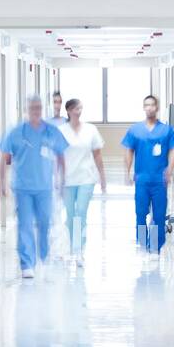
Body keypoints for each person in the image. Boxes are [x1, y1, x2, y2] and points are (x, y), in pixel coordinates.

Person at [0, 94, 68, 278]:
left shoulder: (51, 131)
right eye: (32, 108)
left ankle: (43, 255)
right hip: (22, 188)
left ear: (42, 109)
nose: (36, 111)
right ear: (26, 110)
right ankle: (26, 263)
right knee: (25, 225)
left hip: (45, 187)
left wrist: (62, 180)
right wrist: (2, 183)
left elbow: (61, 157)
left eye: (38, 107)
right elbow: (2, 157)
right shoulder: (16, 132)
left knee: (45, 223)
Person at [121, 94, 174, 253]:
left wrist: (170, 169)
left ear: (157, 108)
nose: (149, 108)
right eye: (146, 105)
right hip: (142, 179)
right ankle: (141, 243)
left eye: (152, 105)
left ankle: (154, 246)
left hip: (159, 180)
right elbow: (129, 151)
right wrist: (127, 172)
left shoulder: (166, 130)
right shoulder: (135, 130)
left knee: (159, 215)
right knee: (140, 213)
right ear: (143, 107)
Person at [59, 98, 106, 267]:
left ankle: (79, 250)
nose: (78, 111)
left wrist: (102, 177)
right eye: (75, 108)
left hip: (87, 177)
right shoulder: (61, 131)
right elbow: (56, 157)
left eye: (80, 107)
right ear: (69, 111)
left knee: (81, 212)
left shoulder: (90, 130)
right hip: (67, 179)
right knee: (70, 215)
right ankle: (72, 247)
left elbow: (98, 154)